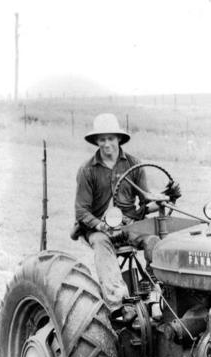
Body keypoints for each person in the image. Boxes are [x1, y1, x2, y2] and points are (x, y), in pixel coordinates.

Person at [72, 113, 177, 315]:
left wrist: (167, 197)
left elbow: (146, 203)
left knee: (154, 241)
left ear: (119, 139)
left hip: (129, 224)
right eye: (102, 139)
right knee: (102, 244)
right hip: (98, 227)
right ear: (96, 141)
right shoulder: (87, 170)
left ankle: (155, 293)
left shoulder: (133, 165)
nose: (107, 144)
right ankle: (120, 304)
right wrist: (101, 225)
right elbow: (81, 210)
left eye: (111, 138)